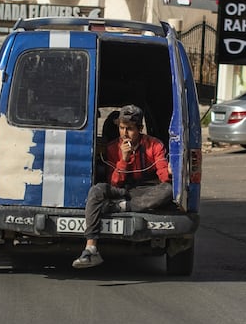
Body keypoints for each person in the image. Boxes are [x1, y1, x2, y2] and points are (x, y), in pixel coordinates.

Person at [72, 104, 173, 268]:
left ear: (140, 129)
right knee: (97, 190)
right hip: (121, 189)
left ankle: (122, 207)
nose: (125, 133)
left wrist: (169, 172)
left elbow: (163, 177)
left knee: (168, 190)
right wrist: (124, 159)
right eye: (122, 128)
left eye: (130, 129)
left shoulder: (155, 145)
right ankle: (91, 248)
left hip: (143, 190)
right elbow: (114, 182)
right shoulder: (113, 147)